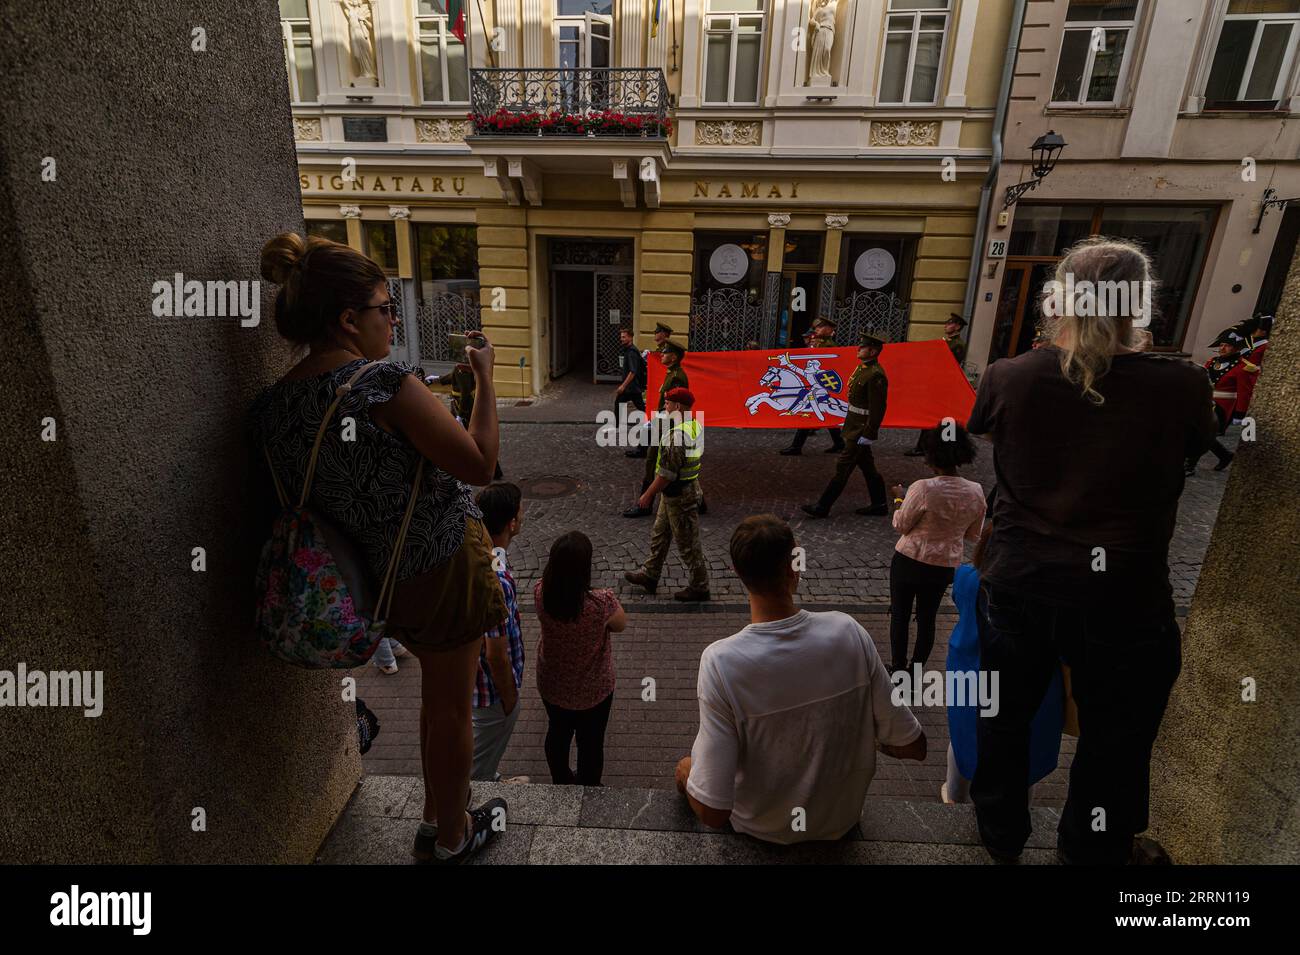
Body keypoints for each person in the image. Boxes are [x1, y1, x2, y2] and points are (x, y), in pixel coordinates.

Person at [250, 233, 507, 865]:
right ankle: (452, 836)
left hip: (369, 581)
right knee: (450, 707)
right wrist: (485, 378)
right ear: (347, 320)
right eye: (385, 309)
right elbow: (479, 465)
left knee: (433, 697)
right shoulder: (383, 382)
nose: (392, 320)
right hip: (440, 564)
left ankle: (434, 812)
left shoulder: (274, 405)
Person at [966, 236, 1217, 865]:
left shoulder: (1009, 376)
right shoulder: (1183, 387)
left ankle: (1000, 835)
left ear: (1059, 299)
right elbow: (1191, 453)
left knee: (1005, 715)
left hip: (1021, 580)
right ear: (1141, 303)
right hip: (1123, 595)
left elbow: (988, 428)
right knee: (1116, 735)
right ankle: (1089, 848)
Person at [674, 515, 926, 844]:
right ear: (795, 566)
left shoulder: (722, 663)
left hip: (761, 832)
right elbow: (912, 745)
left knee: (687, 765)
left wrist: (686, 772)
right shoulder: (847, 632)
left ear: (737, 573)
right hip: (842, 823)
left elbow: (713, 811)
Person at [943, 519, 1063, 804]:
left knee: (963, 735)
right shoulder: (1047, 587)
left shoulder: (967, 577)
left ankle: (956, 797)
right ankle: (1017, 803)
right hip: (1032, 674)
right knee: (1026, 744)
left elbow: (961, 602)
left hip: (970, 666)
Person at [887, 424, 985, 673]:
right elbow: (974, 534)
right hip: (943, 564)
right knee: (927, 619)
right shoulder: (975, 491)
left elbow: (901, 524)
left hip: (910, 559)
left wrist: (900, 497)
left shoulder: (922, 488)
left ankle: (898, 669)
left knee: (900, 615)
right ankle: (916, 670)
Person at [535, 532, 627, 785]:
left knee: (557, 733)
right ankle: (589, 784)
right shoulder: (602, 603)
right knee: (592, 742)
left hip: (553, 684)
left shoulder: (540, 593)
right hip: (594, 689)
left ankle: (561, 778)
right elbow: (620, 624)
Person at [625, 387, 711, 601]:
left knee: (688, 543)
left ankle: (700, 587)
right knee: (660, 535)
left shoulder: (678, 436)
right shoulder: (693, 426)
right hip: (676, 493)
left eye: (667, 403)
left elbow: (666, 474)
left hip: (680, 495)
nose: (664, 406)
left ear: (678, 407)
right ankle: (650, 575)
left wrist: (647, 495)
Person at [471, 482, 529, 784]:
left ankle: (491, 776)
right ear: (512, 523)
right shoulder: (498, 582)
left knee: (484, 750)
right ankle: (469, 805)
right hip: (492, 694)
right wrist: (509, 700)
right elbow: (496, 653)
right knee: (475, 767)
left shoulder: (482, 554)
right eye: (520, 511)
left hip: (476, 684)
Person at [801, 333, 889, 518]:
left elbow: (878, 408)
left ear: (872, 351)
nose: (858, 348)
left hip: (861, 430)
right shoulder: (862, 369)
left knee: (844, 466)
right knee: (867, 467)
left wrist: (870, 432)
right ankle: (879, 504)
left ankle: (823, 506)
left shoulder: (876, 375)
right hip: (853, 425)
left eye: (862, 347)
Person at [624, 340, 689, 518]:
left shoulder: (677, 376)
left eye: (665, 352)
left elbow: (677, 406)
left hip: (668, 425)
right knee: (654, 461)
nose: (662, 354)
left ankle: (644, 505)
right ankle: (699, 501)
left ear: (674, 357)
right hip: (662, 422)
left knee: (654, 461)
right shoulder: (671, 373)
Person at [780, 318, 846, 456]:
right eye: (816, 327)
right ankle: (840, 444)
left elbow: (828, 367)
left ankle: (796, 447)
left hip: (820, 389)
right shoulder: (818, 344)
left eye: (820, 327)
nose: (816, 329)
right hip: (816, 388)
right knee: (828, 418)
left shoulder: (829, 346)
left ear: (829, 330)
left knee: (807, 416)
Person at [1185, 329, 1246, 475]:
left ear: (1237, 348)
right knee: (1205, 432)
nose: (1222, 348)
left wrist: (1239, 413)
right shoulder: (1212, 362)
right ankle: (1225, 455)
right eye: (1221, 344)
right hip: (1206, 402)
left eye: (1227, 345)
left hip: (1224, 407)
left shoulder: (1242, 367)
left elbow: (1245, 392)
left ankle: (1189, 466)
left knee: (1201, 432)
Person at [429, 362, 503, 480]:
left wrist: (460, 415)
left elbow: (465, 394)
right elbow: (452, 377)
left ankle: (491, 469)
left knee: (473, 440)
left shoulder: (466, 373)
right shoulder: (459, 370)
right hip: (459, 407)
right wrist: (436, 379)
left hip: (466, 409)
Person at [906, 314, 967, 456]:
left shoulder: (957, 344)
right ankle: (926, 446)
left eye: (950, 323)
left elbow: (950, 365)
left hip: (945, 385)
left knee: (939, 416)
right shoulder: (947, 342)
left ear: (957, 326)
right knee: (933, 414)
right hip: (937, 383)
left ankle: (931, 447)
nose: (946, 325)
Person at [616, 326, 649, 458]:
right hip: (633, 388)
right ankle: (647, 419)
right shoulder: (630, 350)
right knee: (637, 406)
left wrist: (623, 386)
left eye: (624, 337)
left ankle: (620, 427)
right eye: (621, 337)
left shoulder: (631, 352)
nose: (622, 339)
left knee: (619, 402)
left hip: (631, 387)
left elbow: (633, 371)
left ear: (630, 337)